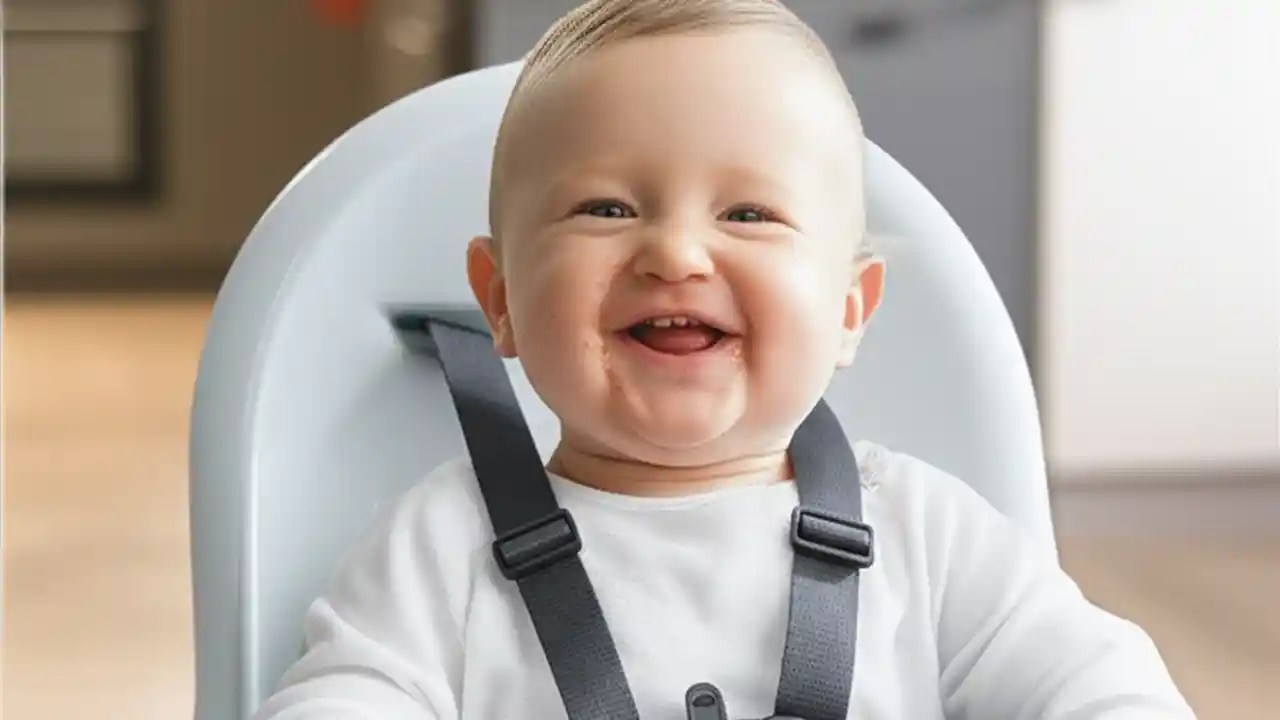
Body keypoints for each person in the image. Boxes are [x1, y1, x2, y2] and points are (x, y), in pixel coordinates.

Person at [253, 1, 1195, 717]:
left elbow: (1105, 689)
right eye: (607, 209)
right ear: (501, 300)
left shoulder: (929, 538)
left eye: (748, 213)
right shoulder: (438, 550)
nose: (675, 253)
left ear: (848, 311)